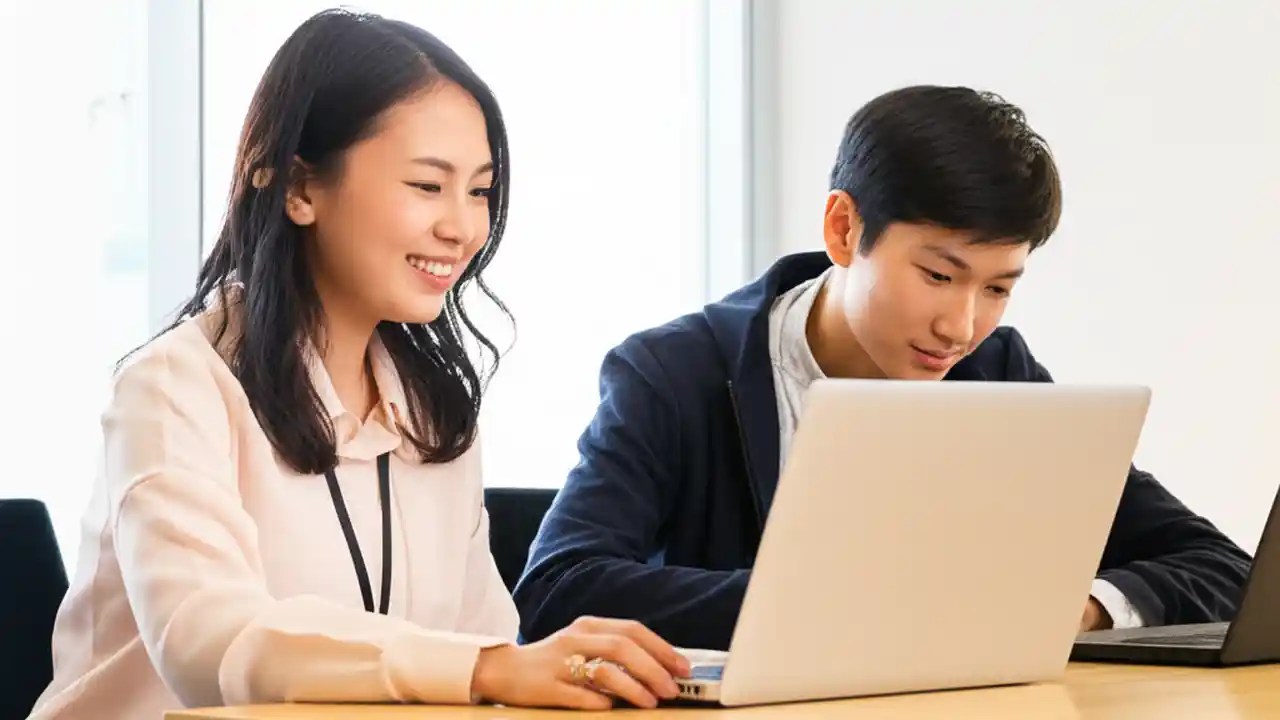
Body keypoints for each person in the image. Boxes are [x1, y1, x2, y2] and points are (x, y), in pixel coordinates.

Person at [30, 10, 687, 718]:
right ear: (299, 188)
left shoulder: (432, 408)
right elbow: (208, 646)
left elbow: (483, 643)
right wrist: (491, 669)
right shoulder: (174, 385)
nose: (464, 226)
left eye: (480, 190)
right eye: (428, 186)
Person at [513, 85, 1252, 651]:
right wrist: (855, 607)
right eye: (938, 275)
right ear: (843, 228)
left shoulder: (998, 373)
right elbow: (557, 588)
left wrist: (1081, 607)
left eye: (997, 288)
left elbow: (1223, 566)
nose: (960, 326)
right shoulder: (673, 372)